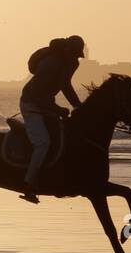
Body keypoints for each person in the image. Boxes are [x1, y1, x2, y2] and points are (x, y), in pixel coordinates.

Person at [19, 35, 85, 203]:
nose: (76, 58)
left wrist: (79, 107)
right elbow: (37, 93)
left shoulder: (71, 63)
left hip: (46, 104)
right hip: (31, 104)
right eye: (74, 54)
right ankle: (29, 185)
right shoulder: (51, 63)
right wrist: (56, 109)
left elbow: (66, 86)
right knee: (43, 143)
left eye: (78, 55)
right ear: (66, 51)